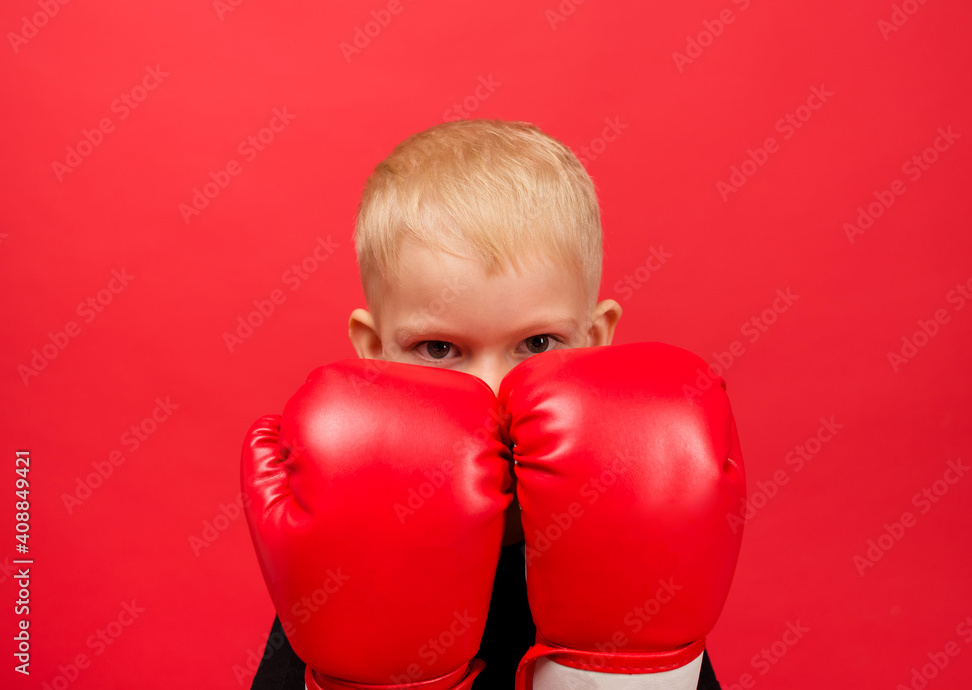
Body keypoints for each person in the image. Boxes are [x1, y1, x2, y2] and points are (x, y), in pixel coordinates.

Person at [247, 119, 731, 689]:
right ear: (373, 355)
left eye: (537, 343)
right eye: (439, 347)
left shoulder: (637, 532)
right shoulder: (349, 551)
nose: (491, 390)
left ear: (596, 341)